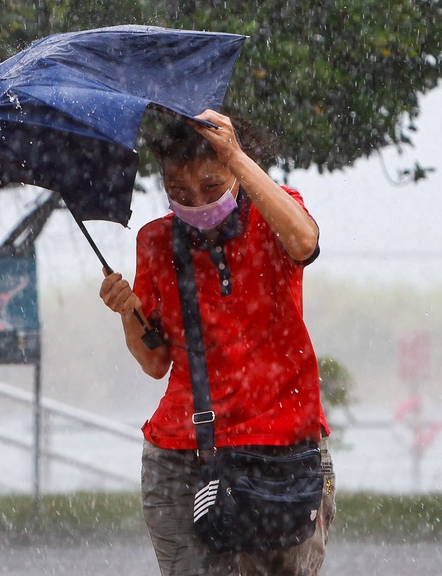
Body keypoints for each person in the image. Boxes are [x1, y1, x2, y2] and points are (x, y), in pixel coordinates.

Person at [100, 109, 335, 576]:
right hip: (183, 456)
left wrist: (234, 153)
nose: (197, 203)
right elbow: (154, 361)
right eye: (179, 193)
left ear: (234, 171)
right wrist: (127, 312)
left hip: (284, 453)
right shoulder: (157, 241)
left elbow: (305, 242)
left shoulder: (274, 213)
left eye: (211, 186)